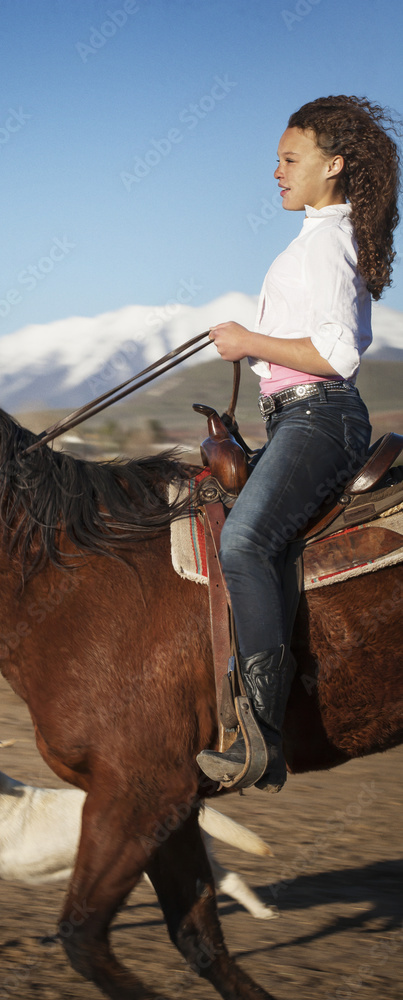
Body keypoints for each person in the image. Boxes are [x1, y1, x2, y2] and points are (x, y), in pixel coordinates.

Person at [196, 95, 401, 793]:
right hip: (294, 417)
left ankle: (261, 729)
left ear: (333, 165)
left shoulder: (325, 243)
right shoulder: (317, 236)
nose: (276, 172)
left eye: (290, 159)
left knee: (244, 543)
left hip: (321, 417)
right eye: (276, 160)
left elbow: (337, 353)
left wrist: (246, 340)